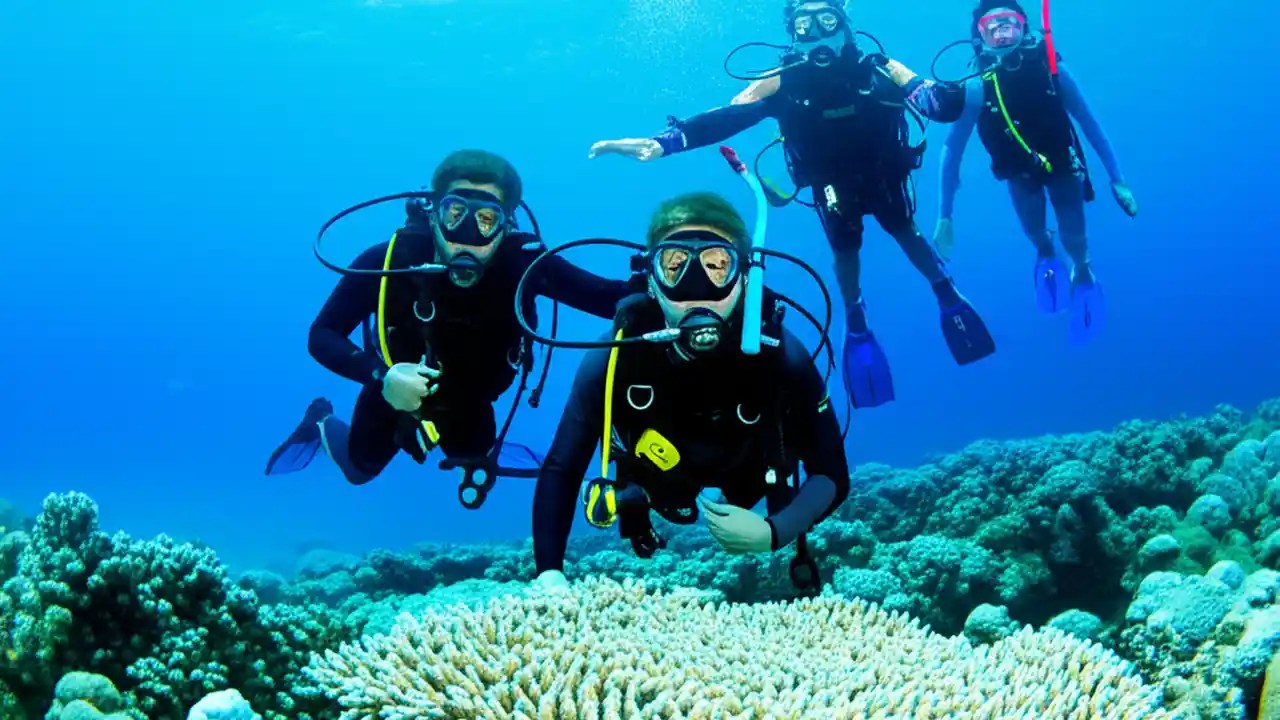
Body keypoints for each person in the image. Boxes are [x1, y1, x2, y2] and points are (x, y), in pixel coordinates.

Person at [587, 0, 996, 411]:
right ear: (792, 33)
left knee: (906, 230)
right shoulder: (780, 81)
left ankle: (944, 290)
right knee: (845, 250)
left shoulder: (879, 65)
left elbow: (930, 102)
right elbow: (729, 116)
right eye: (805, 24)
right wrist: (664, 142)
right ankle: (856, 316)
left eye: (827, 20)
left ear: (845, 23)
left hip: (884, 175)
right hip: (832, 187)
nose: (818, 32)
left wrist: (959, 90)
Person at [265, 150, 633, 507]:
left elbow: (608, 298)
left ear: (507, 224)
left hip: (470, 400)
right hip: (393, 391)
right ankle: (320, 421)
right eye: (456, 213)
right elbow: (322, 333)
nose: (468, 235)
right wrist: (381, 376)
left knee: (476, 460)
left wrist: (674, 277)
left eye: (487, 219)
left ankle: (477, 455)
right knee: (359, 470)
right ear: (433, 213)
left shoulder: (525, 265)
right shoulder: (389, 261)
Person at [530, 191, 851, 593]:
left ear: (745, 277)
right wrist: (550, 574)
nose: (696, 287)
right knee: (651, 493)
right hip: (659, 480)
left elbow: (831, 473)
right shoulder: (613, 360)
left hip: (747, 481)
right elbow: (562, 467)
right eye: (675, 265)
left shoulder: (781, 357)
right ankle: (639, 502)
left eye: (717, 265)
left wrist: (775, 532)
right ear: (652, 280)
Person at [933, 0, 1139, 343]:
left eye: (1009, 23)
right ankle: (1046, 253)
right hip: (1019, 176)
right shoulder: (976, 86)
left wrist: (1117, 178)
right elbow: (951, 149)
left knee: (1076, 239)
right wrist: (945, 214)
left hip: (1062, 168)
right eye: (992, 26)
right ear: (979, 35)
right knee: (1037, 234)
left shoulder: (1050, 69)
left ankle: (1082, 268)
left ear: (1024, 27)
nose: (1002, 33)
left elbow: (1089, 123)